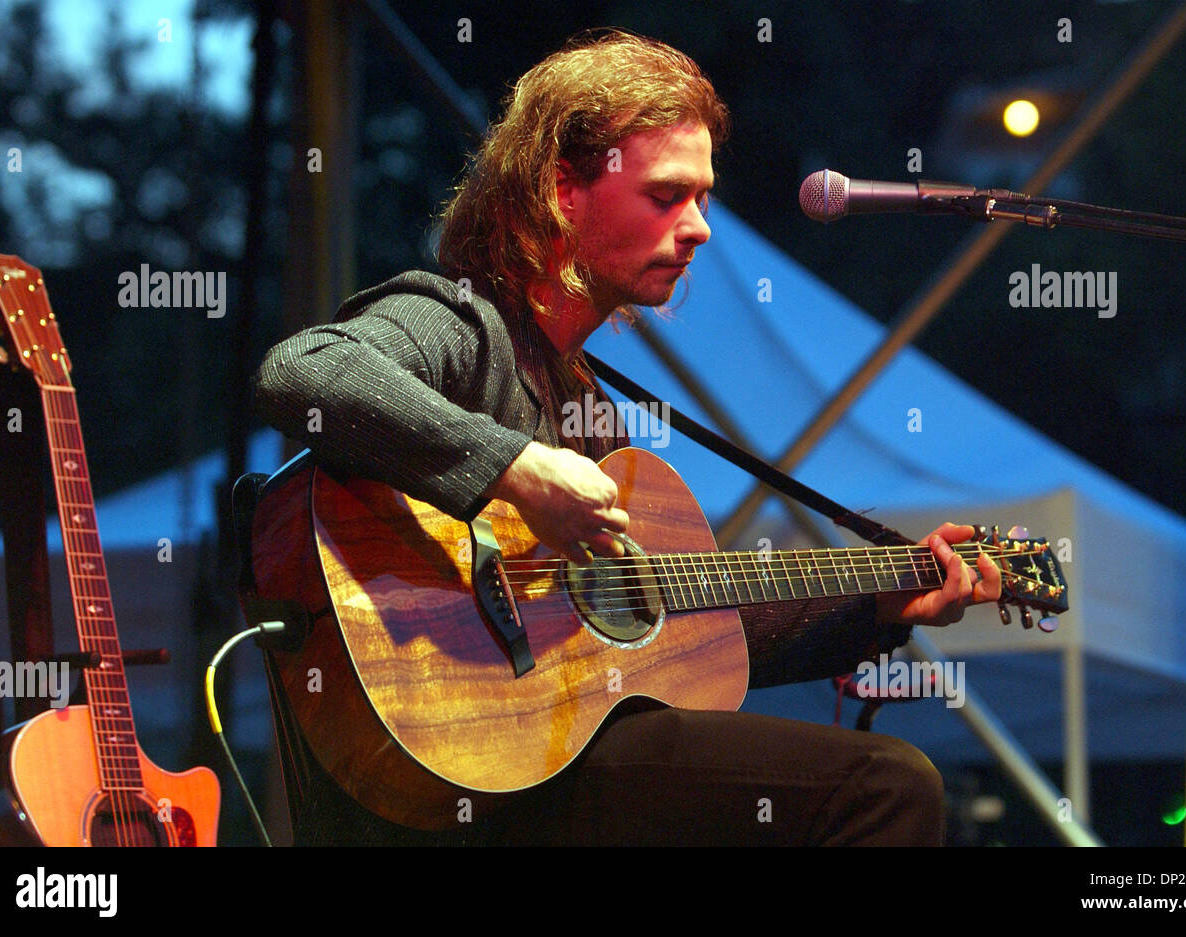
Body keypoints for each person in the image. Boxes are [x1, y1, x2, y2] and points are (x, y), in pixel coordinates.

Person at [253, 29, 1002, 846]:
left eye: (703, 198)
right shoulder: (461, 324)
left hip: (559, 757)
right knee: (885, 785)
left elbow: (691, 632)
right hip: (479, 767)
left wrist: (879, 604)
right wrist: (516, 469)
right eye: (666, 196)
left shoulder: (591, 408)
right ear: (561, 190)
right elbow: (304, 369)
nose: (701, 227)